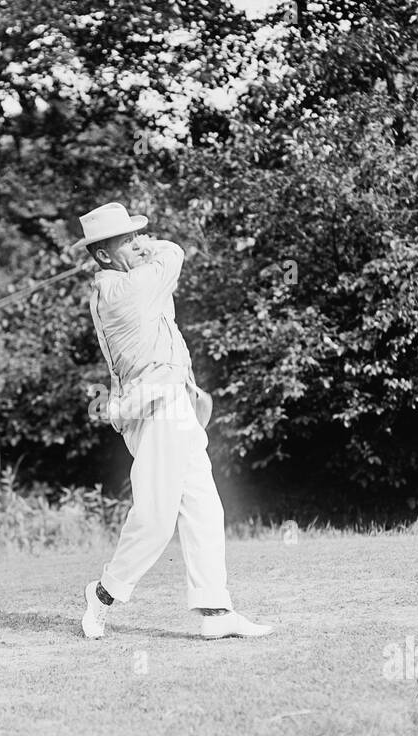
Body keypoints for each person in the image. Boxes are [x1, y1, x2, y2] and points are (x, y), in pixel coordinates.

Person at [74, 201, 272, 641]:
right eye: (129, 240)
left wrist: (133, 245)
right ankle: (104, 594)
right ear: (104, 255)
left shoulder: (125, 279)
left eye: (138, 236)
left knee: (204, 506)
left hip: (175, 402)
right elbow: (175, 252)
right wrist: (150, 245)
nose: (141, 245)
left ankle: (216, 611)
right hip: (155, 407)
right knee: (156, 518)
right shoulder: (124, 290)